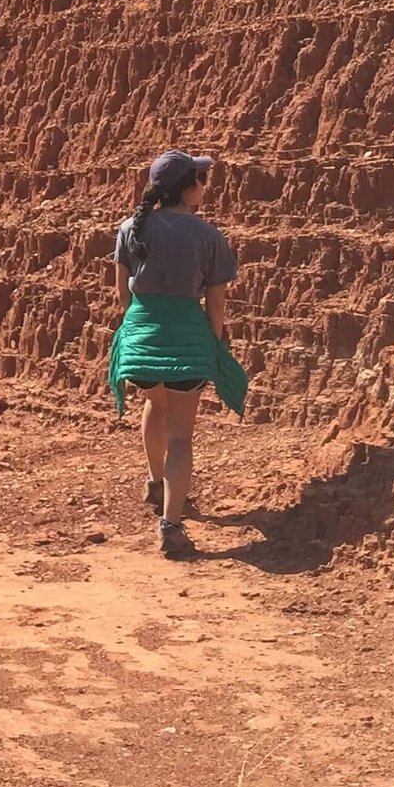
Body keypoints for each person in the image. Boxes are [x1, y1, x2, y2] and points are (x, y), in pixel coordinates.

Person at [106, 149, 249, 559]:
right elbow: (216, 306)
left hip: (141, 337)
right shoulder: (207, 236)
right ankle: (171, 524)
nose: (204, 189)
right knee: (182, 435)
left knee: (155, 403)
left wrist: (145, 326)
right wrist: (216, 342)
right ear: (188, 188)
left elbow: (122, 296)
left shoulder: (130, 227)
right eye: (201, 182)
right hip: (186, 340)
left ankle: (155, 482)